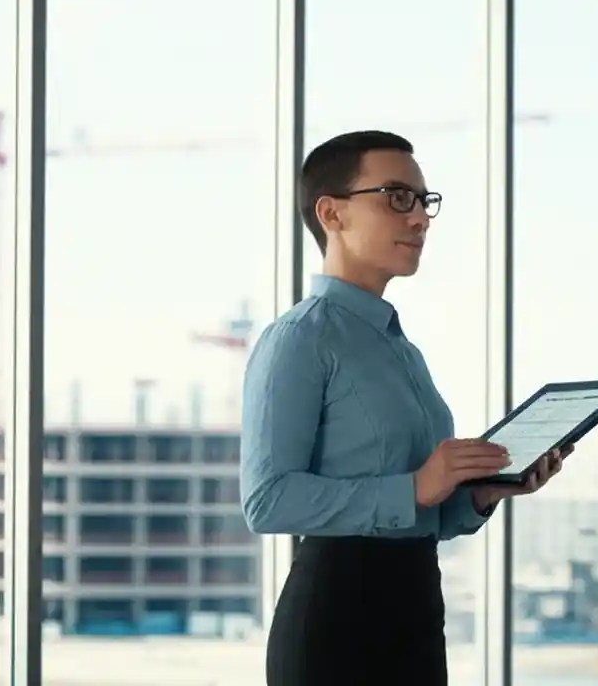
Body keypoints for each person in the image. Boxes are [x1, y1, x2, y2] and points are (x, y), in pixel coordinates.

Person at [239, 130, 569, 685]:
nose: (419, 219)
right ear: (331, 213)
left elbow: (425, 512)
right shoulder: (299, 339)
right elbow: (266, 501)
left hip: (416, 611)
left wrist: (481, 491)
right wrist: (414, 487)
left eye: (422, 201)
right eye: (397, 197)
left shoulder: (400, 348)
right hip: (336, 624)